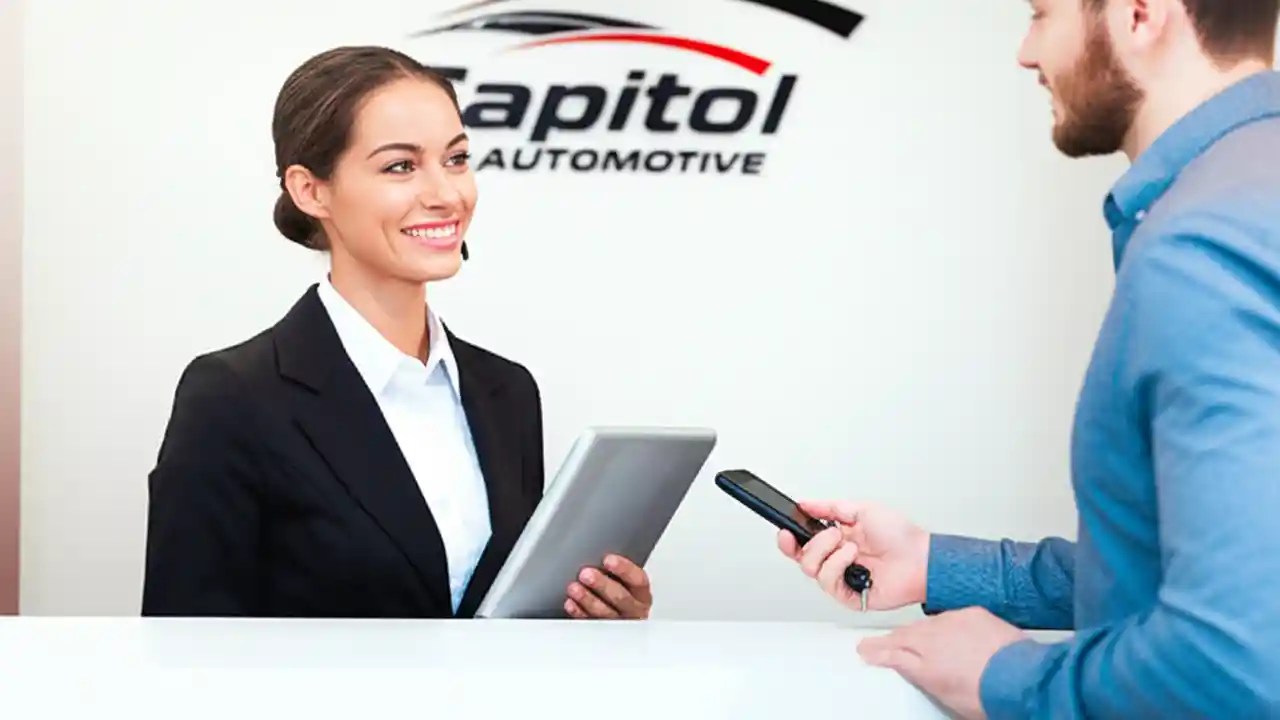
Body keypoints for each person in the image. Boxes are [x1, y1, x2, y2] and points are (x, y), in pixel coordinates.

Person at [779, 1, 1280, 718]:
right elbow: (1215, 566)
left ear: (1140, 14)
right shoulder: (1248, 197)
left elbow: (1234, 662)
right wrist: (932, 565)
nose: (1025, 52)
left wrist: (1006, 677)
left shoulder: (1201, 245)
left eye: (1042, 14)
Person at [141, 46, 653, 621]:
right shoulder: (233, 397)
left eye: (456, 159)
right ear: (310, 190)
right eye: (400, 167)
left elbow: (504, 620)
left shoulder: (507, 391)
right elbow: (183, 642)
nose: (446, 194)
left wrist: (592, 619)